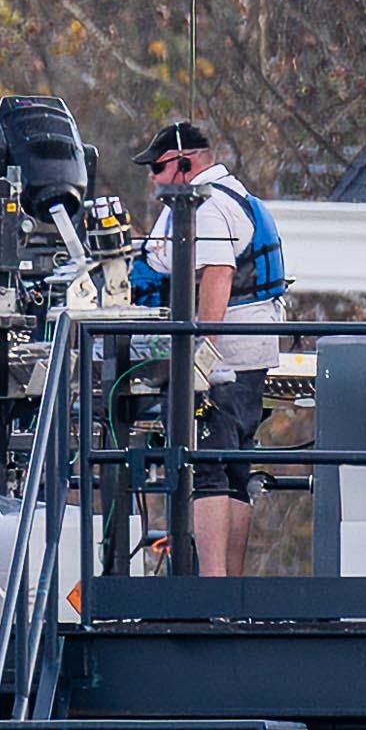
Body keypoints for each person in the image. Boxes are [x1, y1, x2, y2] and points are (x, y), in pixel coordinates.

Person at [132, 120, 290, 576]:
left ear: (186, 163)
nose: (154, 178)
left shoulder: (204, 206)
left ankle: (212, 586)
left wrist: (199, 349)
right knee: (235, 470)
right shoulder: (236, 195)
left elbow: (218, 273)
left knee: (207, 466)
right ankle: (227, 591)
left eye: (159, 167)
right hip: (250, 351)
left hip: (224, 360)